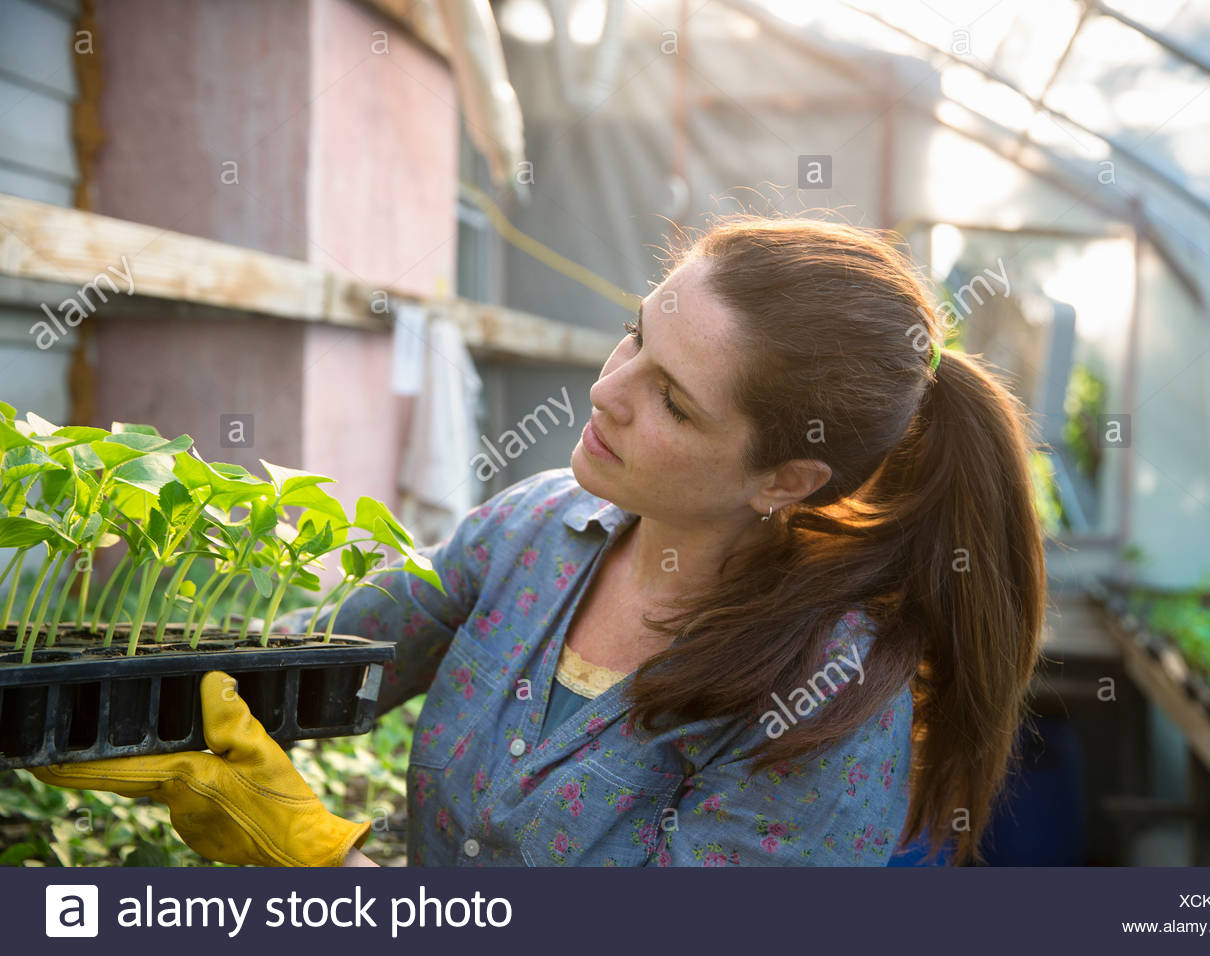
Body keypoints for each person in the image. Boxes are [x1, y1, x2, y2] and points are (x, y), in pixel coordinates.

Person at [33, 215, 1046, 867]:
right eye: (635, 333)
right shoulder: (532, 529)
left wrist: (318, 867)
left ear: (784, 478)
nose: (608, 388)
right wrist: (98, 708)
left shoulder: (820, 708)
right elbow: (320, 659)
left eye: (675, 403)